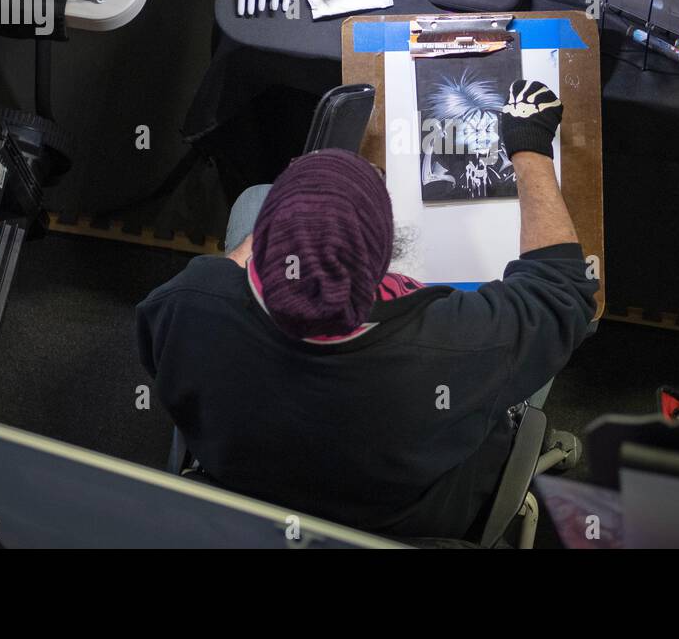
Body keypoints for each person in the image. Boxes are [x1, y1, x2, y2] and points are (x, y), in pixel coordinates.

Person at [135, 80, 597, 539]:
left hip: (245, 488)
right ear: (385, 260)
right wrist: (529, 147)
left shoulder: (188, 303)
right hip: (407, 517)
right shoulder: (456, 345)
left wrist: (303, 213)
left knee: (252, 200)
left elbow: (229, 277)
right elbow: (562, 295)